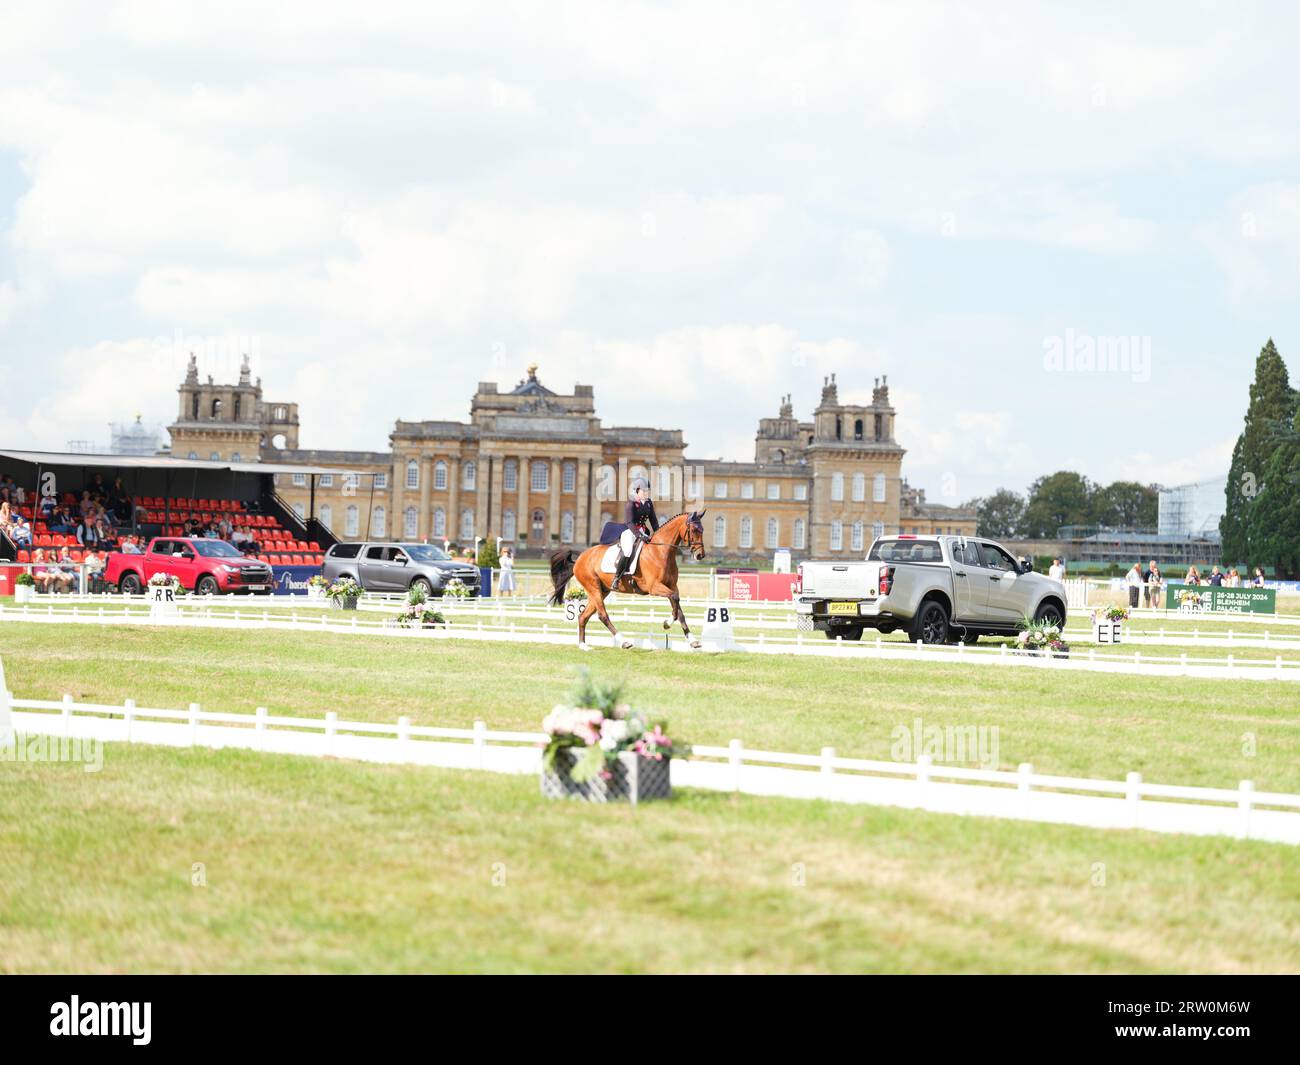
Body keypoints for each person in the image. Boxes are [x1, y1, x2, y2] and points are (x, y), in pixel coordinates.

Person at [613, 479, 659, 587]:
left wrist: (658, 533)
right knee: (628, 551)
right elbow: (629, 522)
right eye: (644, 491)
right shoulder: (631, 503)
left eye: (647, 491)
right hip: (630, 531)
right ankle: (617, 577)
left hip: (643, 531)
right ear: (637, 491)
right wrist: (639, 535)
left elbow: (653, 520)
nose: (646, 493)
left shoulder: (648, 503)